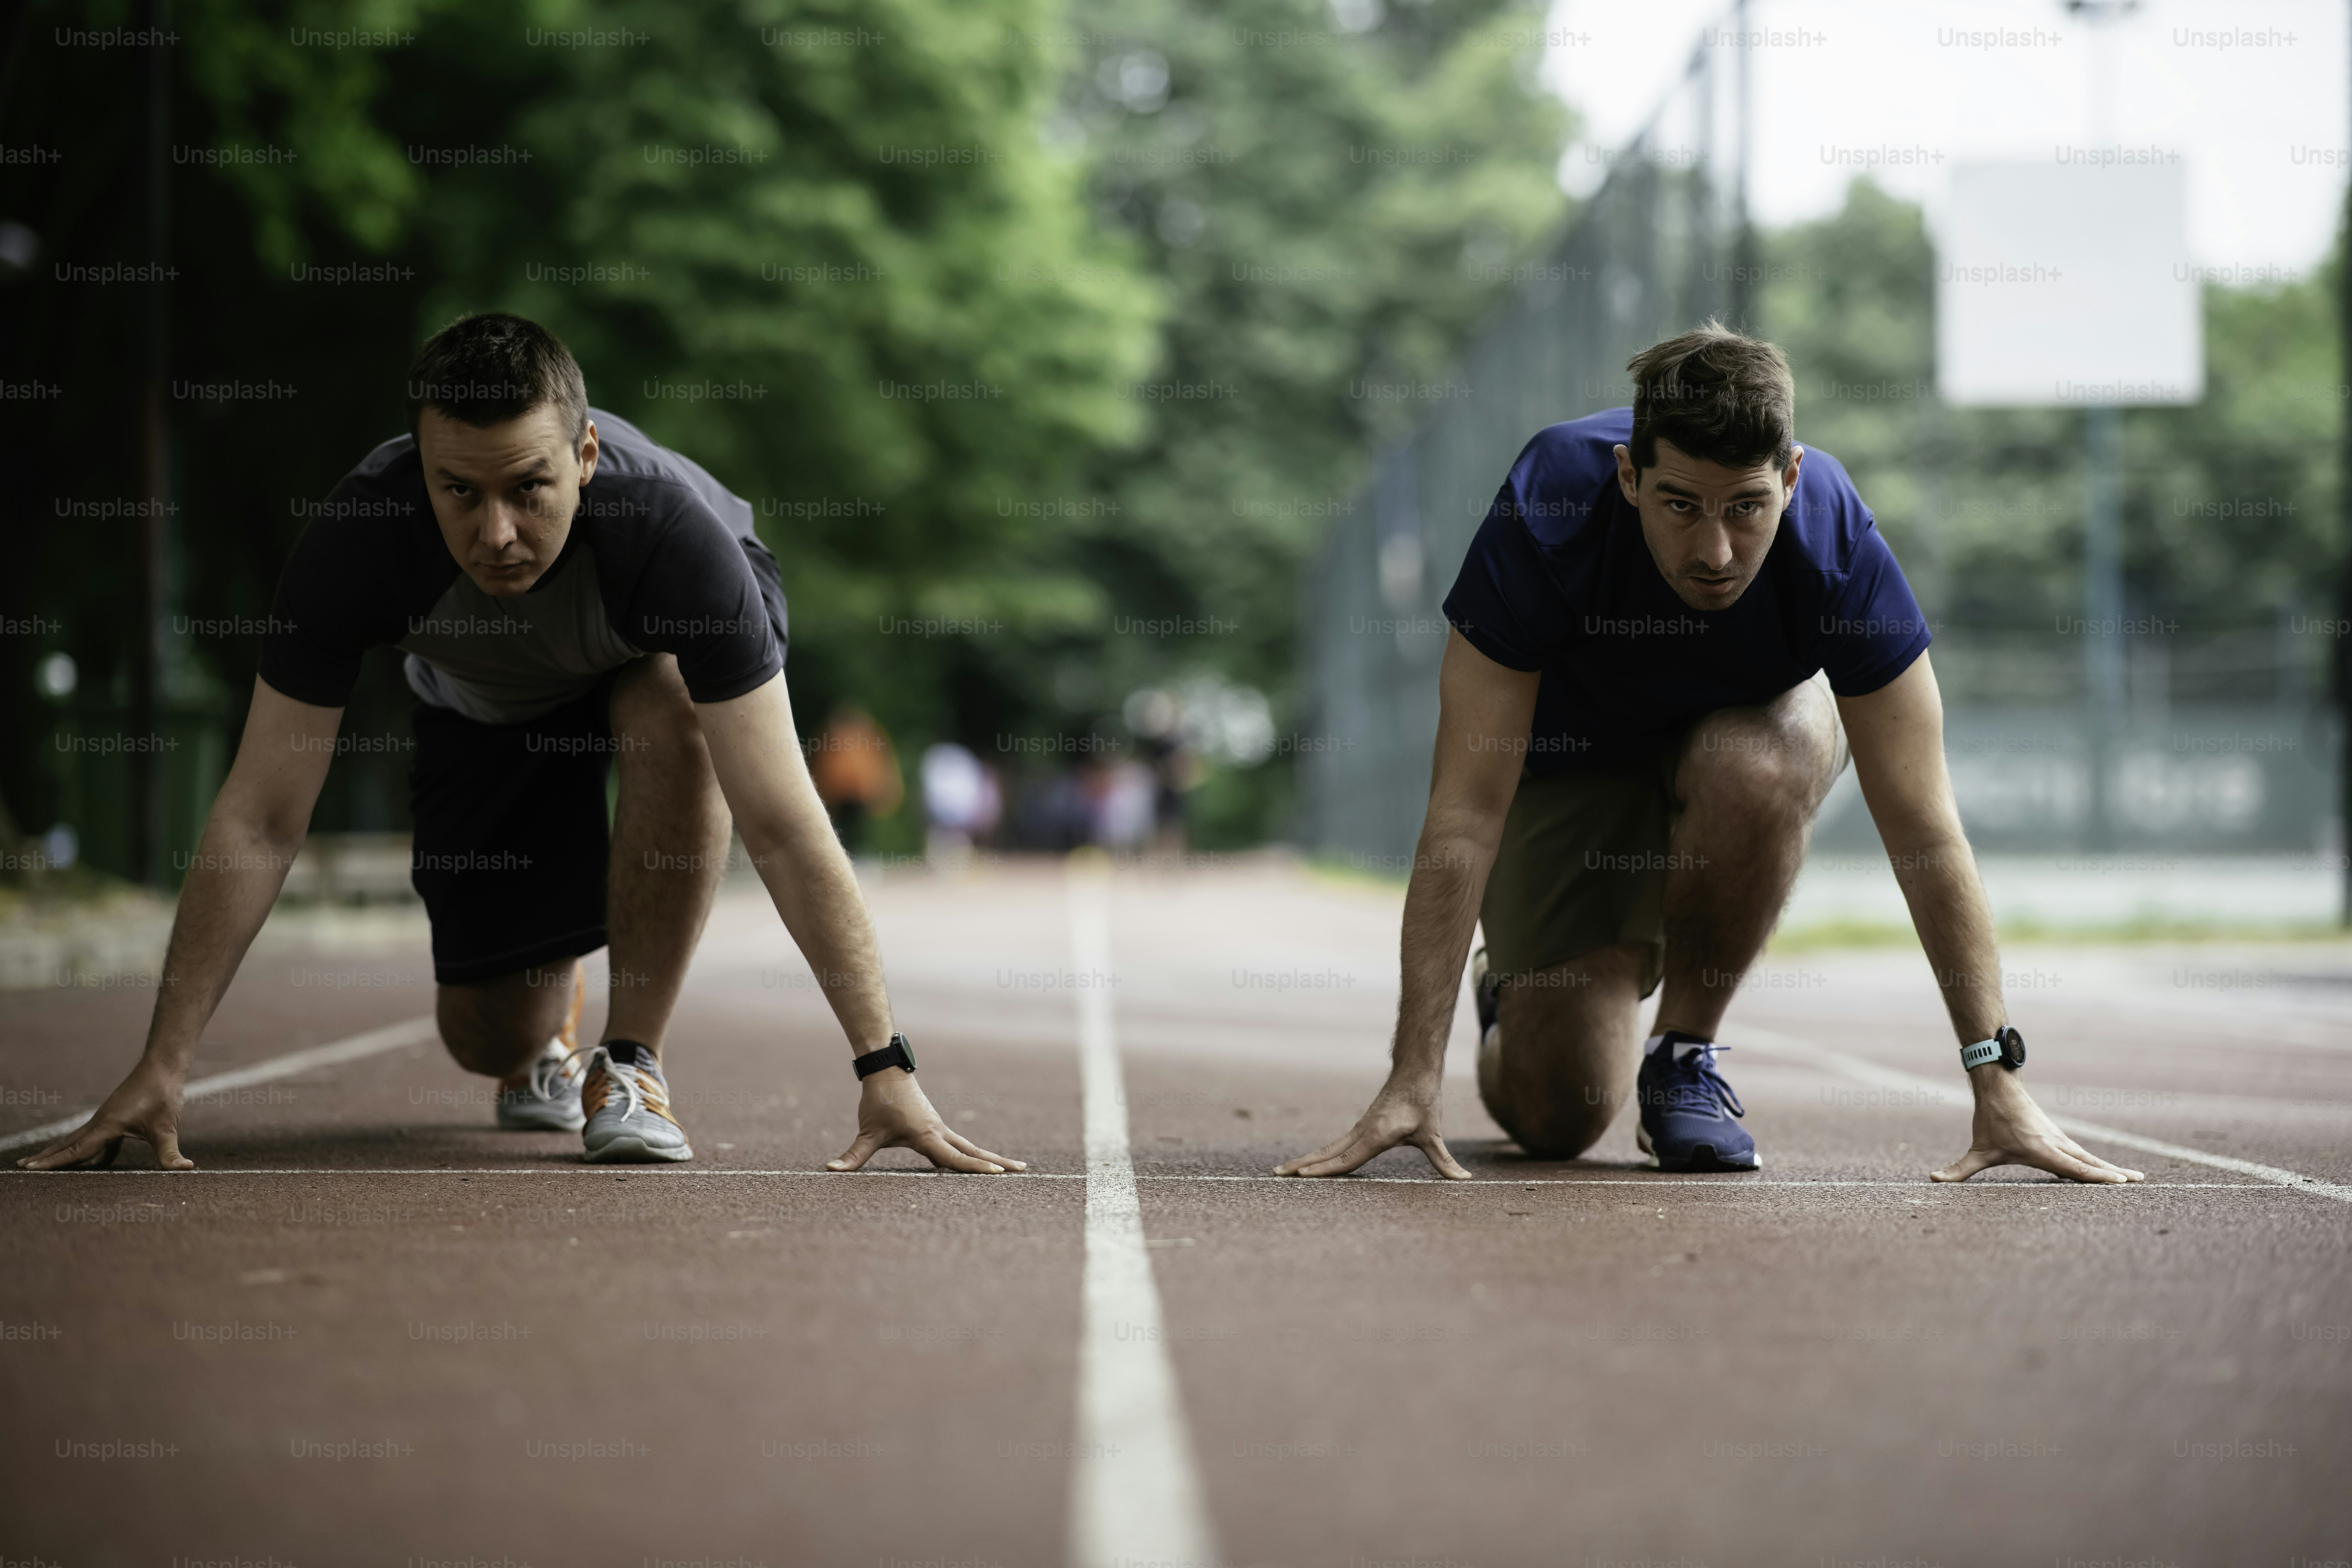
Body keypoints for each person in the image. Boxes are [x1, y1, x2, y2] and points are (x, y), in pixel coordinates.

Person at [21, 313, 1019, 1176]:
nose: (498, 533)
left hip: (643, 663)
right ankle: (550, 1021)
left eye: (530, 489)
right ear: (421, 472)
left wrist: (884, 1069)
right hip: (487, 701)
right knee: (487, 1036)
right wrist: (164, 1065)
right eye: (461, 493)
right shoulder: (360, 541)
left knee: (672, 706)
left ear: (584, 457)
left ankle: (631, 1062)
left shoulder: (673, 541)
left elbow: (786, 825)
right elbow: (260, 815)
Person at [1278, 322, 2143, 1187]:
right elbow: (1465, 815)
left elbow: (1926, 827)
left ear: (1792, 478)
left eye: (1747, 508)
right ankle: (1513, 992)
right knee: (1556, 1116)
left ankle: (1684, 1054)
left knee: (1768, 756)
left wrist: (1996, 1079)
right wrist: (1412, 1073)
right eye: (1681, 505)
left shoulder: (1835, 544)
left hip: (1741, 741)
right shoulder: (1549, 509)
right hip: (1574, 766)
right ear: (1629, 475)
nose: (1717, 552)